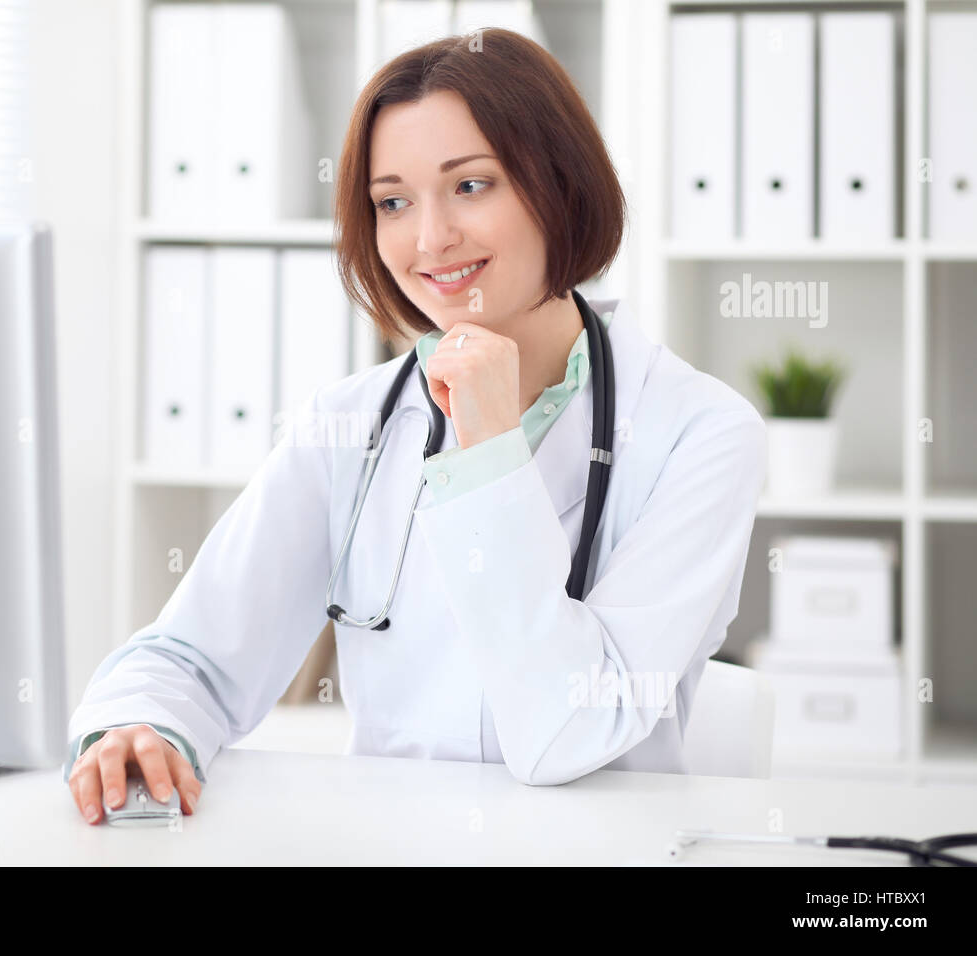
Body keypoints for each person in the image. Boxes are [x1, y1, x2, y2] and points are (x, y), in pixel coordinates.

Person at [66, 29, 766, 824]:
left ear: (561, 184)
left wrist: (493, 449)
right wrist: (141, 727)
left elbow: (568, 731)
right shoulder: (349, 426)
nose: (430, 240)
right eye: (392, 201)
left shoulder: (701, 434)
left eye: (471, 186)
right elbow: (191, 657)